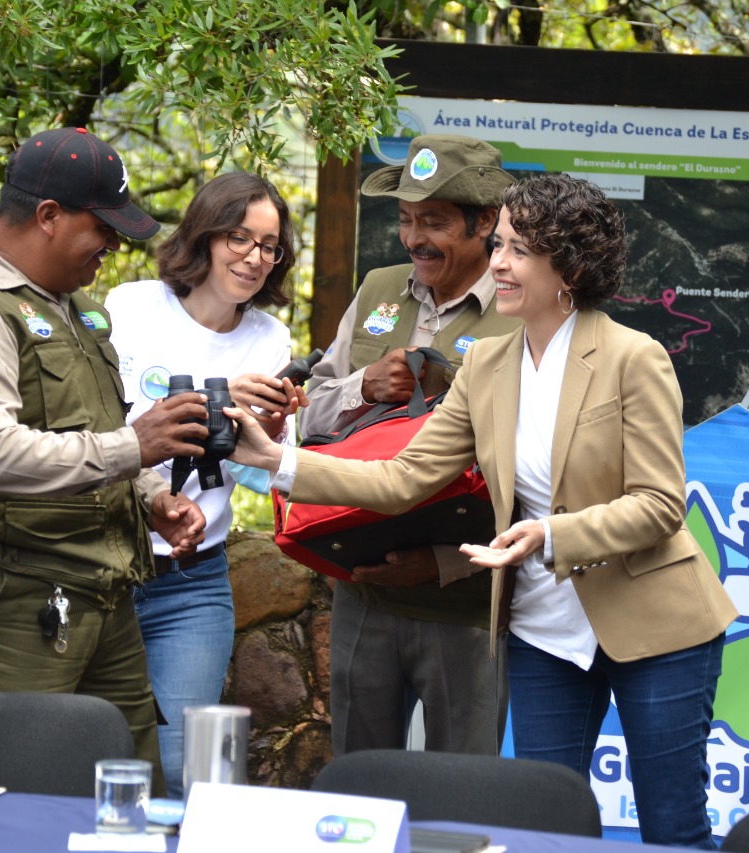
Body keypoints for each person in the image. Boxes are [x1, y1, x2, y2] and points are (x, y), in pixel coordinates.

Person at [229, 173, 738, 849]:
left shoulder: (632, 358)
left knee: (672, 828)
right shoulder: (487, 365)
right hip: (542, 631)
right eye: (498, 243)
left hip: (656, 626)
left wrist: (548, 533)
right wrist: (278, 462)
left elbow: (658, 506)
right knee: (537, 826)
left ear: (571, 266)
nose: (497, 262)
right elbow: (405, 476)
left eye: (518, 249)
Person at [0, 127, 209, 795]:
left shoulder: (81, 313)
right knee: (4, 800)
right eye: (102, 227)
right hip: (13, 606)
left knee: (132, 801)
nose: (114, 246)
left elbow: (99, 436)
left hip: (106, 598)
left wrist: (154, 494)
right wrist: (137, 447)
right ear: (48, 216)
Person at [301, 133, 521, 757]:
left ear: (485, 223)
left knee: (459, 797)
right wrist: (361, 386)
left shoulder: (524, 309)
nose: (413, 238)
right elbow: (309, 419)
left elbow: (541, 469)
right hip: (363, 588)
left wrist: (446, 564)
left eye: (434, 221)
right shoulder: (377, 289)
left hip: (464, 604)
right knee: (360, 782)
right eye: (404, 219)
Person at [105, 172, 306, 799]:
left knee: (181, 768)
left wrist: (269, 430)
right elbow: (97, 429)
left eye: (269, 246)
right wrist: (218, 399)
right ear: (205, 234)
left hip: (192, 584)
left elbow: (263, 469)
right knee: (95, 752)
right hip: (105, 563)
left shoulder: (270, 340)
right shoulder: (132, 306)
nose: (253, 257)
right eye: (238, 238)